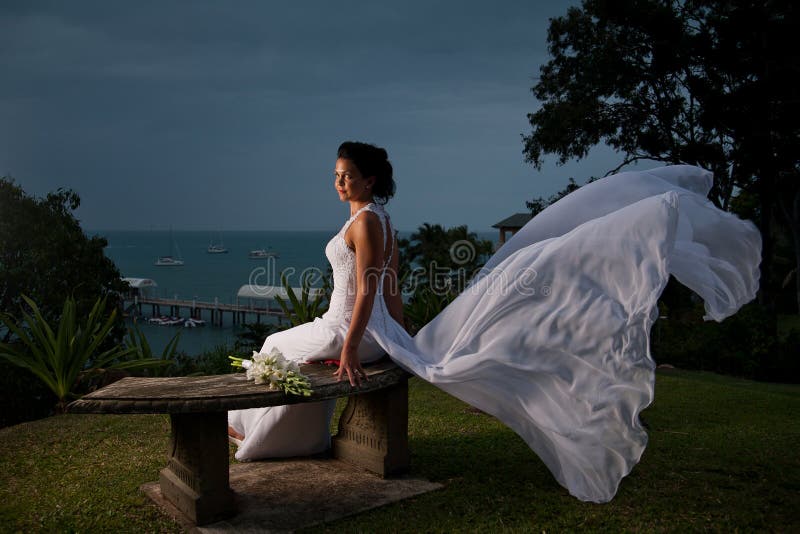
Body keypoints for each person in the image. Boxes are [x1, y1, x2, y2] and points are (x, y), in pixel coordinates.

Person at [230, 145, 762, 504]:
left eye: (347, 175)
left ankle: (269, 438)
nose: (339, 182)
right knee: (285, 352)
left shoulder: (368, 219)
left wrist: (352, 348)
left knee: (276, 342)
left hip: (350, 330)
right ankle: (289, 438)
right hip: (369, 332)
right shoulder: (379, 220)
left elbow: (370, 285)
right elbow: (390, 286)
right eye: (336, 176)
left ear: (369, 179)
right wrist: (402, 332)